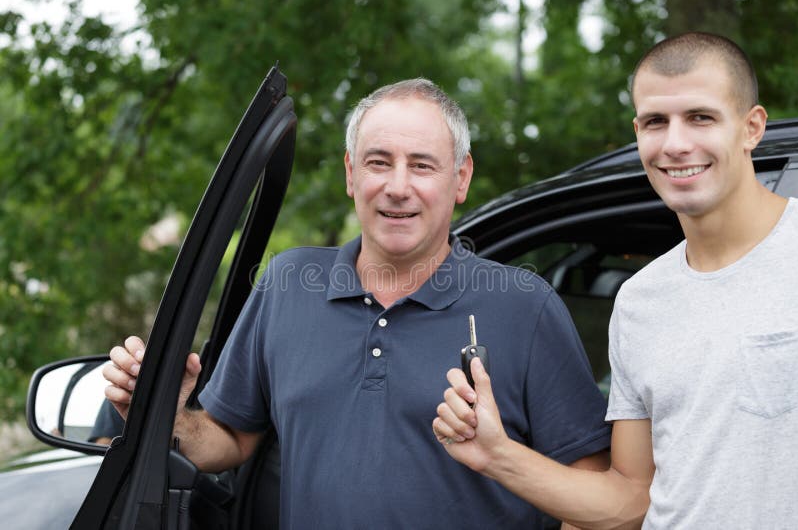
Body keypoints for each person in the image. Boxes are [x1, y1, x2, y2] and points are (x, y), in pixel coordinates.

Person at [103, 78, 611, 528]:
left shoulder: (525, 307)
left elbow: (592, 484)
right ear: (350, 173)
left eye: (422, 165)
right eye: (378, 162)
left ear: (461, 179)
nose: (397, 187)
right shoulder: (286, 286)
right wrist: (168, 414)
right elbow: (232, 442)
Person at [433, 31, 798, 529]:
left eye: (700, 117)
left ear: (752, 127)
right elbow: (628, 497)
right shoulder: (639, 300)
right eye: (655, 122)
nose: (675, 143)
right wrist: (497, 454)